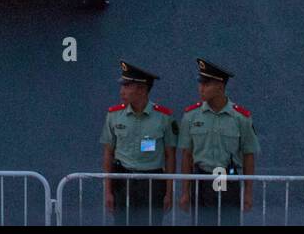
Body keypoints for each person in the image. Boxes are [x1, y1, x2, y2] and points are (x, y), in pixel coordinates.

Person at [177, 58, 259, 224]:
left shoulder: (240, 118)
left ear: (220, 86)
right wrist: (185, 191)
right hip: (201, 180)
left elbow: (248, 155)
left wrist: (248, 192)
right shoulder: (191, 116)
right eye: (200, 83)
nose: (201, 88)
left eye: (206, 84)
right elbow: (186, 155)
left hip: (228, 180)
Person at [100, 61, 176, 224]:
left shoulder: (163, 117)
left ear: (142, 89)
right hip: (122, 180)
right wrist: (108, 191)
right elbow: (108, 153)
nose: (122, 91)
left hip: (152, 181)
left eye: (127, 86)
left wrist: (169, 192)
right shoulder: (114, 115)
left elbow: (170, 156)